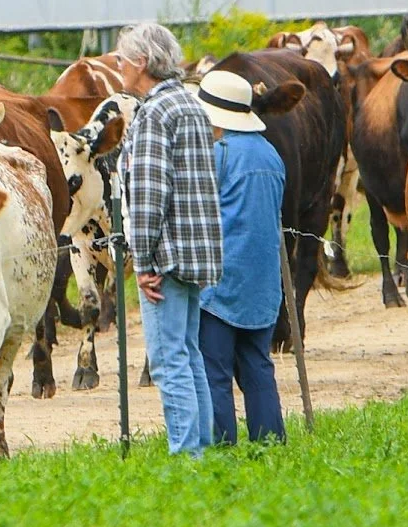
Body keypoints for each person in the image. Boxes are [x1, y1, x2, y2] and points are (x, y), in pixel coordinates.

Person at [117, 23, 223, 457]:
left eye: (123, 60)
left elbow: (147, 193)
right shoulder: (192, 106)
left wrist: (142, 261)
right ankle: (201, 448)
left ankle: (186, 458)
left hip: (167, 255)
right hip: (198, 248)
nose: (119, 67)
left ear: (142, 63)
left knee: (167, 359)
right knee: (189, 352)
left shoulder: (154, 113)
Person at [192, 70, 288, 445]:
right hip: (263, 283)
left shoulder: (220, 154)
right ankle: (269, 443)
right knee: (258, 368)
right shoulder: (271, 153)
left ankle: (221, 447)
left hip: (221, 284)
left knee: (214, 370)